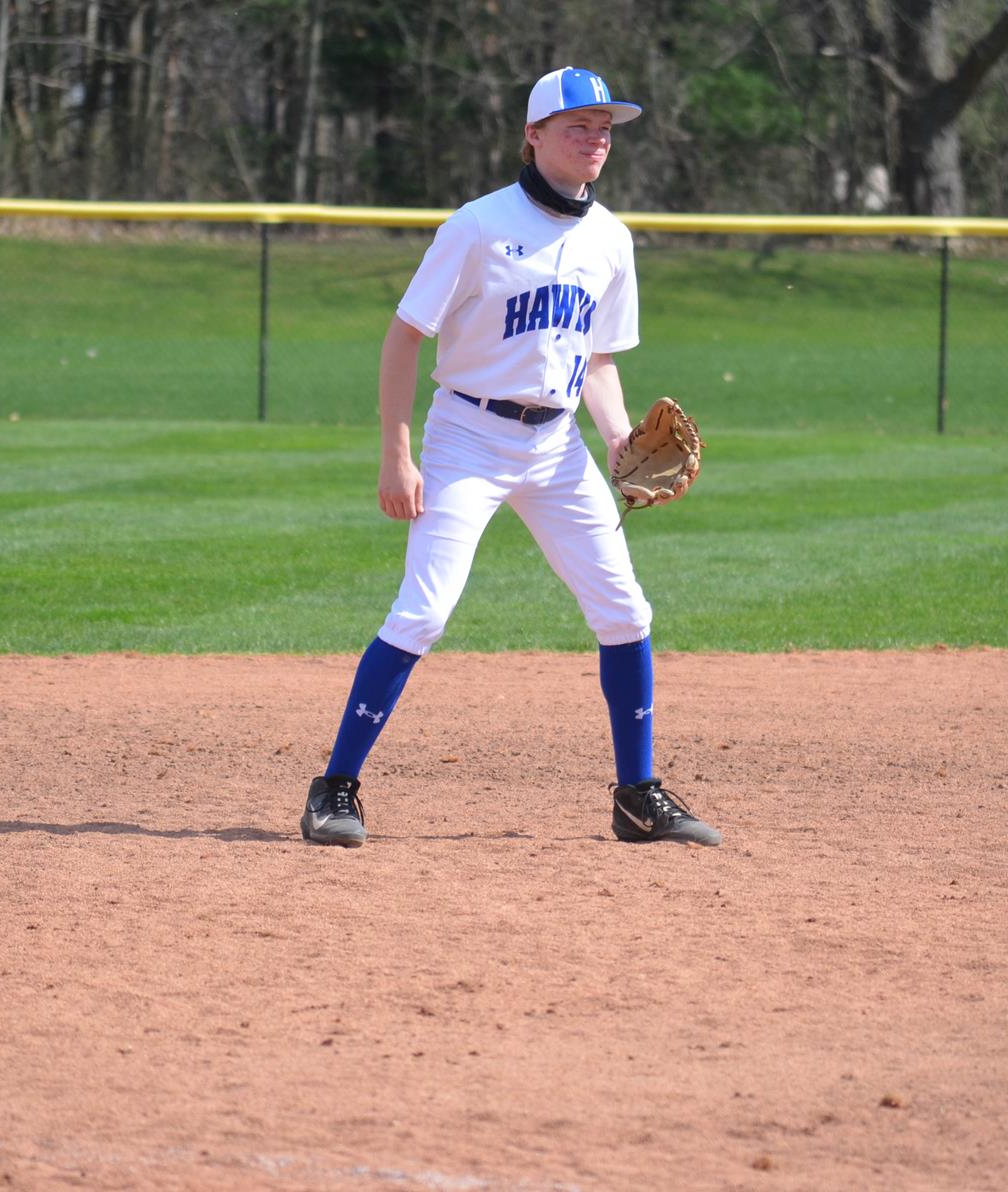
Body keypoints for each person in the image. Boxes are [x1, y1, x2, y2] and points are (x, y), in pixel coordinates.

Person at [298, 66, 721, 850]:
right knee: (423, 611)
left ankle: (637, 796)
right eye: (577, 126)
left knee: (626, 611)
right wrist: (397, 454)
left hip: (557, 447)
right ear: (532, 136)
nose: (596, 139)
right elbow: (404, 338)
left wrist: (619, 436)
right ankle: (336, 788)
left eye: (605, 128)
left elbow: (596, 359)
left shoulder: (612, 239)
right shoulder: (477, 226)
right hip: (467, 437)